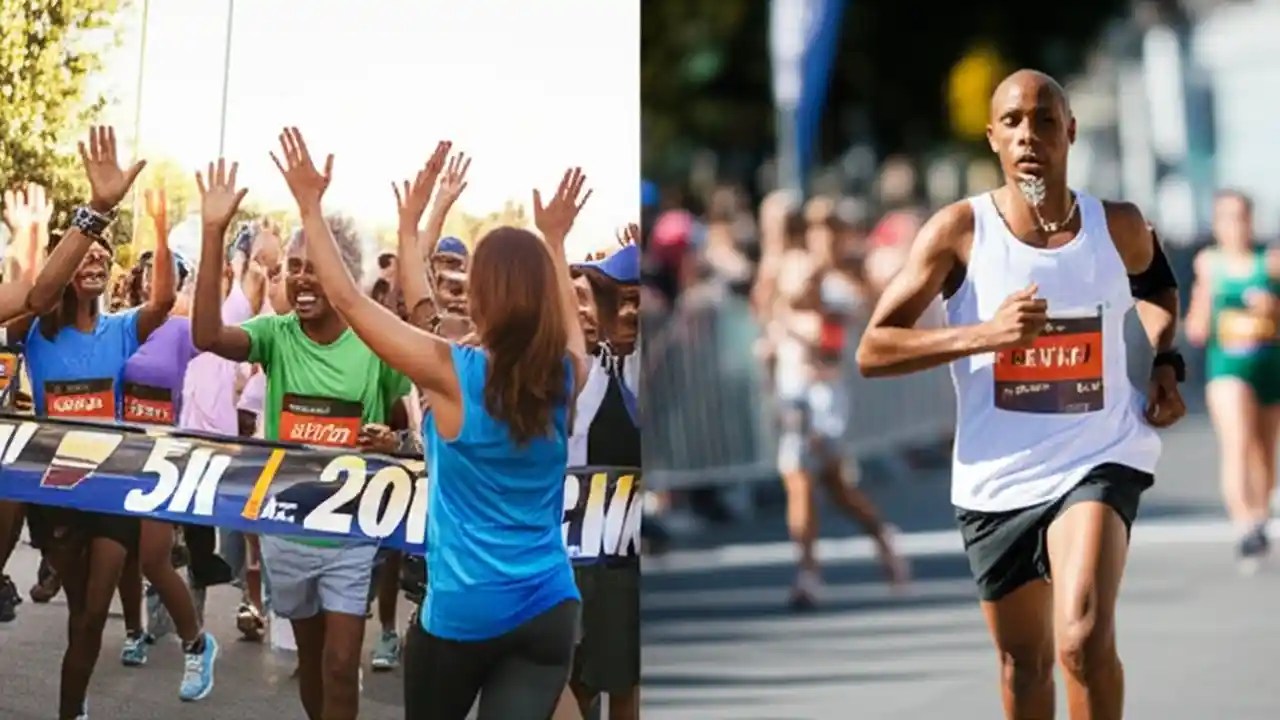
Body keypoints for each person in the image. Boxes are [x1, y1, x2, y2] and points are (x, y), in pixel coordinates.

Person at [855, 70, 1185, 720]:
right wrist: (986, 335)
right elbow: (874, 348)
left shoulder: (1116, 225)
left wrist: (1165, 360)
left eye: (1042, 119)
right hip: (996, 477)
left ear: (1070, 131)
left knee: (1082, 638)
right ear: (992, 138)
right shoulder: (961, 231)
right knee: (1024, 666)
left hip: (1099, 454)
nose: (1027, 134)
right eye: (1011, 122)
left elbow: (1157, 285)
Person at [270, 126, 587, 720]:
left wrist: (310, 207)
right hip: (549, 609)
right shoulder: (566, 375)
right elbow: (429, 314)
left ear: (485, 296)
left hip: (464, 615)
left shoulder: (456, 373)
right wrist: (554, 240)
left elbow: (352, 303)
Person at [192, 155, 410, 720]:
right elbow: (206, 334)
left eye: (317, 266)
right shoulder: (276, 335)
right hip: (289, 528)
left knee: (341, 665)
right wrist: (214, 231)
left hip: (352, 530)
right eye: (293, 266)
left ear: (344, 273)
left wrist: (390, 441)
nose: (303, 278)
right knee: (312, 664)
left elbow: (402, 424)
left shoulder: (372, 341)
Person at [753, 198, 908, 609]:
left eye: (831, 227)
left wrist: (808, 314)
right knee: (798, 478)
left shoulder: (847, 282)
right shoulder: (791, 266)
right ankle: (808, 573)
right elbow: (767, 305)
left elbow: (831, 342)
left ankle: (880, 536)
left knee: (835, 486)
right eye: (816, 227)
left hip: (826, 393)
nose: (822, 235)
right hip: (790, 387)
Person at [558, 240, 642, 720]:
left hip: (619, 561)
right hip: (572, 558)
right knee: (575, 686)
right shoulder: (581, 371)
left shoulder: (631, 369)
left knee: (623, 683)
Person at [1185, 189, 1280, 564]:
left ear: (1252, 220)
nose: (1234, 225)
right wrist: (1207, 308)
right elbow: (1196, 328)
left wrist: (1272, 307)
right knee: (1238, 441)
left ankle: (1259, 515)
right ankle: (1244, 524)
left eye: (1241, 216)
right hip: (1227, 368)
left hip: (1269, 366)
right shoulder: (1208, 263)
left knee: (1265, 451)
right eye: (1226, 217)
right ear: (1217, 223)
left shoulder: (1270, 262)